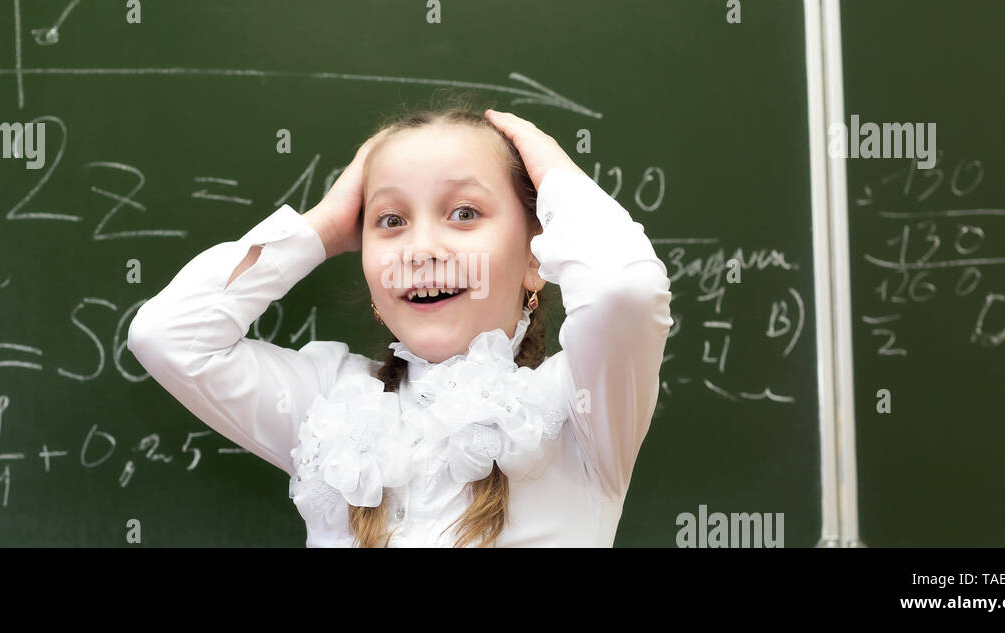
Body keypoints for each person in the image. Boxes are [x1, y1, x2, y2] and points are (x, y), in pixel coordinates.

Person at [126, 98, 674, 547]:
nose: (420, 248)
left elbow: (626, 291)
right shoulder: (331, 403)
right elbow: (168, 337)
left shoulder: (579, 410)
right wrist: (322, 228)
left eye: (464, 213)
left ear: (537, 257)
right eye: (390, 221)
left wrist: (553, 169)